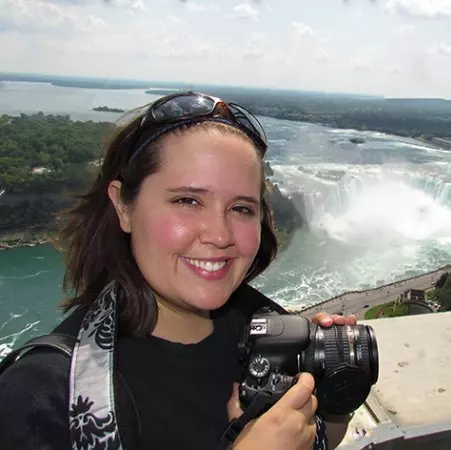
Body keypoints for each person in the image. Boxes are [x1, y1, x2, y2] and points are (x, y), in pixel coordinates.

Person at [0, 92, 356, 450]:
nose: (219, 235)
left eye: (242, 208)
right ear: (124, 206)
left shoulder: (267, 331)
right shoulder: (44, 397)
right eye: (187, 200)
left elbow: (312, 438)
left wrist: (336, 396)